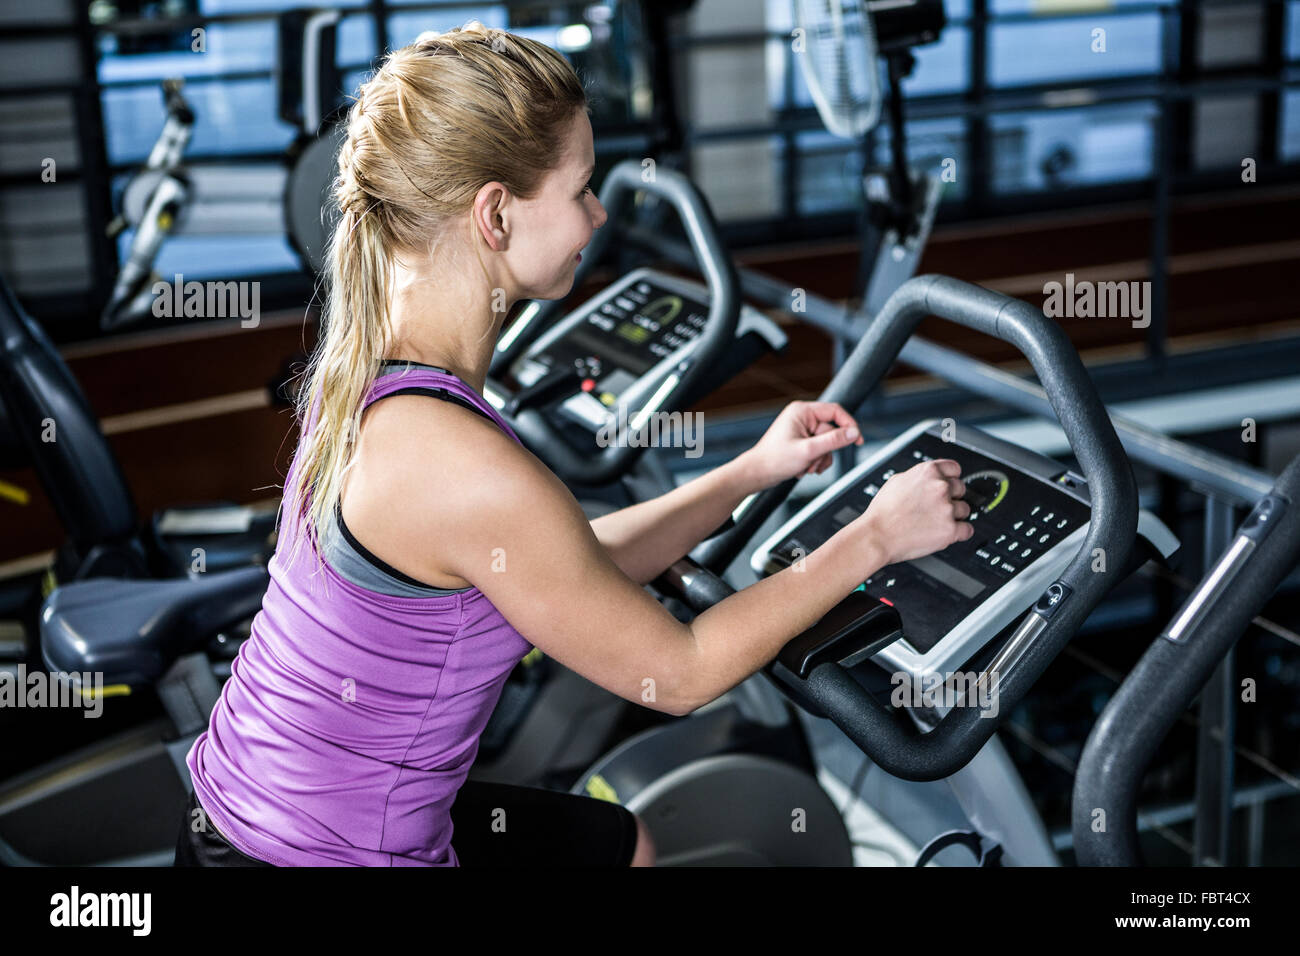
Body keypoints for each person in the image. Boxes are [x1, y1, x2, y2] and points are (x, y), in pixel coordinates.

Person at [175, 22, 972, 868]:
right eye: (581, 188)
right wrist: (875, 538)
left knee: (619, 843)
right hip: (316, 856)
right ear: (495, 213)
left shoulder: (367, 375)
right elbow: (682, 672)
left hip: (254, 809)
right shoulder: (459, 462)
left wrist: (746, 472)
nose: (598, 213)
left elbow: (558, 566)